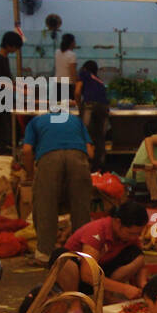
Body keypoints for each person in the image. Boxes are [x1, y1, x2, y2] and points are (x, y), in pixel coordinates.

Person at [21, 103, 93, 263]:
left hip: (49, 158)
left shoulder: (35, 122)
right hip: (78, 157)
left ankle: (44, 255)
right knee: (81, 207)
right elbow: (90, 151)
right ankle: (82, 254)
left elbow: (26, 151)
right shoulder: (76, 121)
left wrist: (31, 175)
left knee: (45, 205)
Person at [55, 199, 150, 313]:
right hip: (77, 276)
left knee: (137, 256)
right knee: (64, 259)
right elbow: (87, 275)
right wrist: (124, 288)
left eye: (138, 234)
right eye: (131, 233)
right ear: (118, 223)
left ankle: (107, 296)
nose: (135, 237)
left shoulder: (129, 237)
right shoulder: (97, 230)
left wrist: (144, 286)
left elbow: (141, 264)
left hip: (102, 272)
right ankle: (74, 302)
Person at [126, 115, 157, 203]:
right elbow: (148, 140)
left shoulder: (153, 139)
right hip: (144, 178)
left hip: (131, 178)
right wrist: (153, 160)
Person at [0, 31, 23, 155]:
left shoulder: (4, 58)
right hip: (0, 99)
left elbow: (7, 79)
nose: (16, 50)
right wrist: (19, 90)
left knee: (10, 127)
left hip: (7, 99)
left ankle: (9, 150)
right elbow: (0, 82)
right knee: (4, 129)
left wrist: (18, 85)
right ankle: (5, 154)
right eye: (15, 47)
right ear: (9, 45)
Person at [75, 60, 109, 169]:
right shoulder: (99, 81)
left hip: (90, 105)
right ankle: (100, 166)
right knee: (100, 137)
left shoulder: (84, 74)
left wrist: (79, 105)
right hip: (104, 107)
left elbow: (77, 91)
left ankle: (87, 165)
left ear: (85, 68)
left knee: (86, 135)